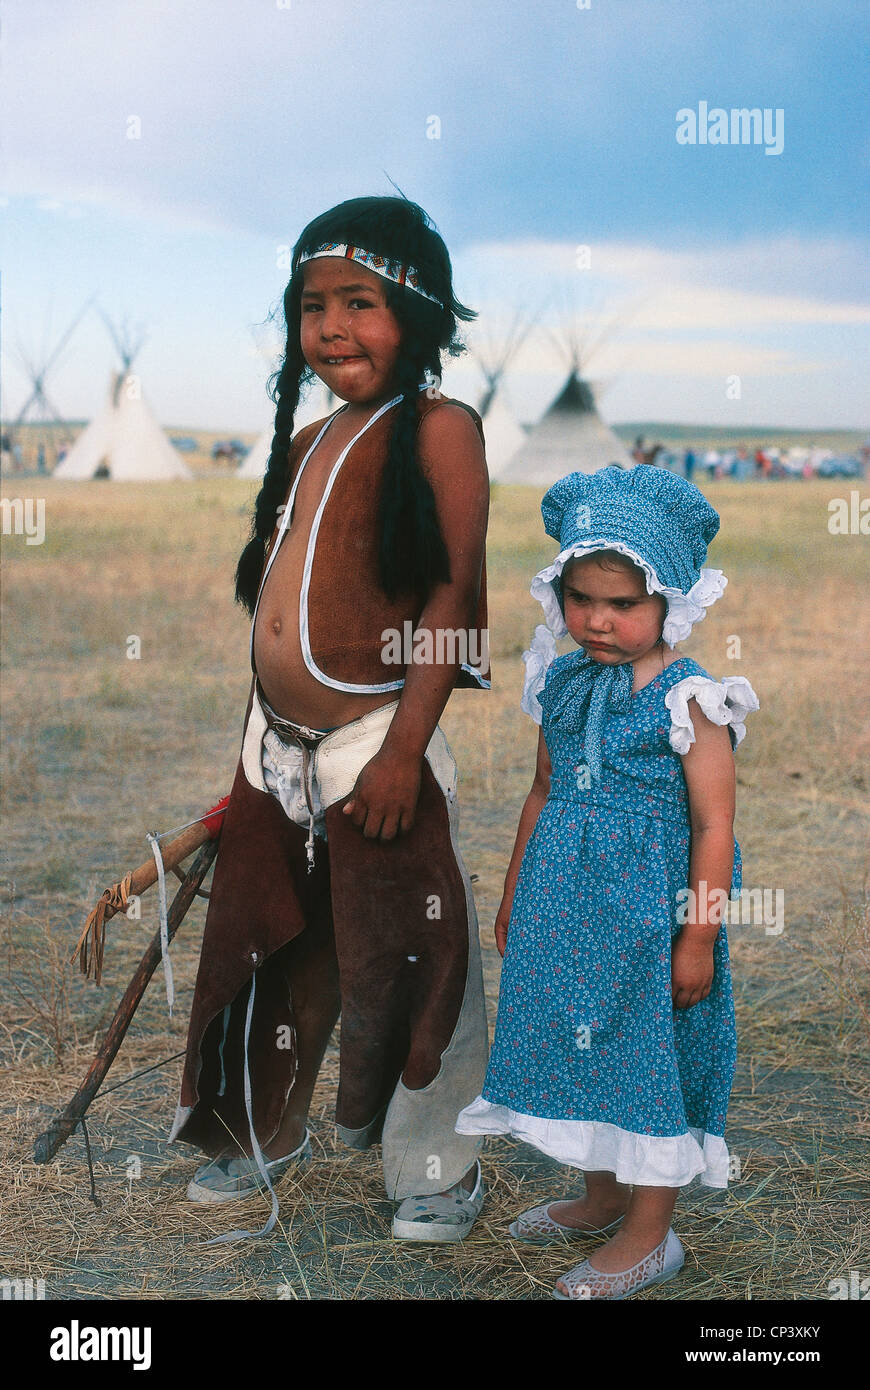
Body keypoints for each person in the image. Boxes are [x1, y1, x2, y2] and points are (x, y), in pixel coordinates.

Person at [170, 196, 491, 1244]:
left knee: (417, 951)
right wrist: (249, 763)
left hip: (375, 747)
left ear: (418, 313)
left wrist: (403, 752)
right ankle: (266, 1129)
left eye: (360, 302)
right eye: (314, 307)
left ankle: (437, 1167)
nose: (333, 327)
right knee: (275, 943)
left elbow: (451, 599)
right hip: (277, 750)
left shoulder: (442, 431)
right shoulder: (308, 441)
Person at [456, 465, 759, 1299]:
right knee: (579, 1047)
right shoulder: (562, 682)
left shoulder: (691, 700)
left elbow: (715, 826)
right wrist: (515, 894)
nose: (596, 619)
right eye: (581, 599)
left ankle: (651, 1235)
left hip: (650, 922)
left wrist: (697, 937)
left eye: (623, 604)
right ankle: (600, 1196)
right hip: (565, 909)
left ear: (669, 602)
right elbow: (543, 790)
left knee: (647, 1058)